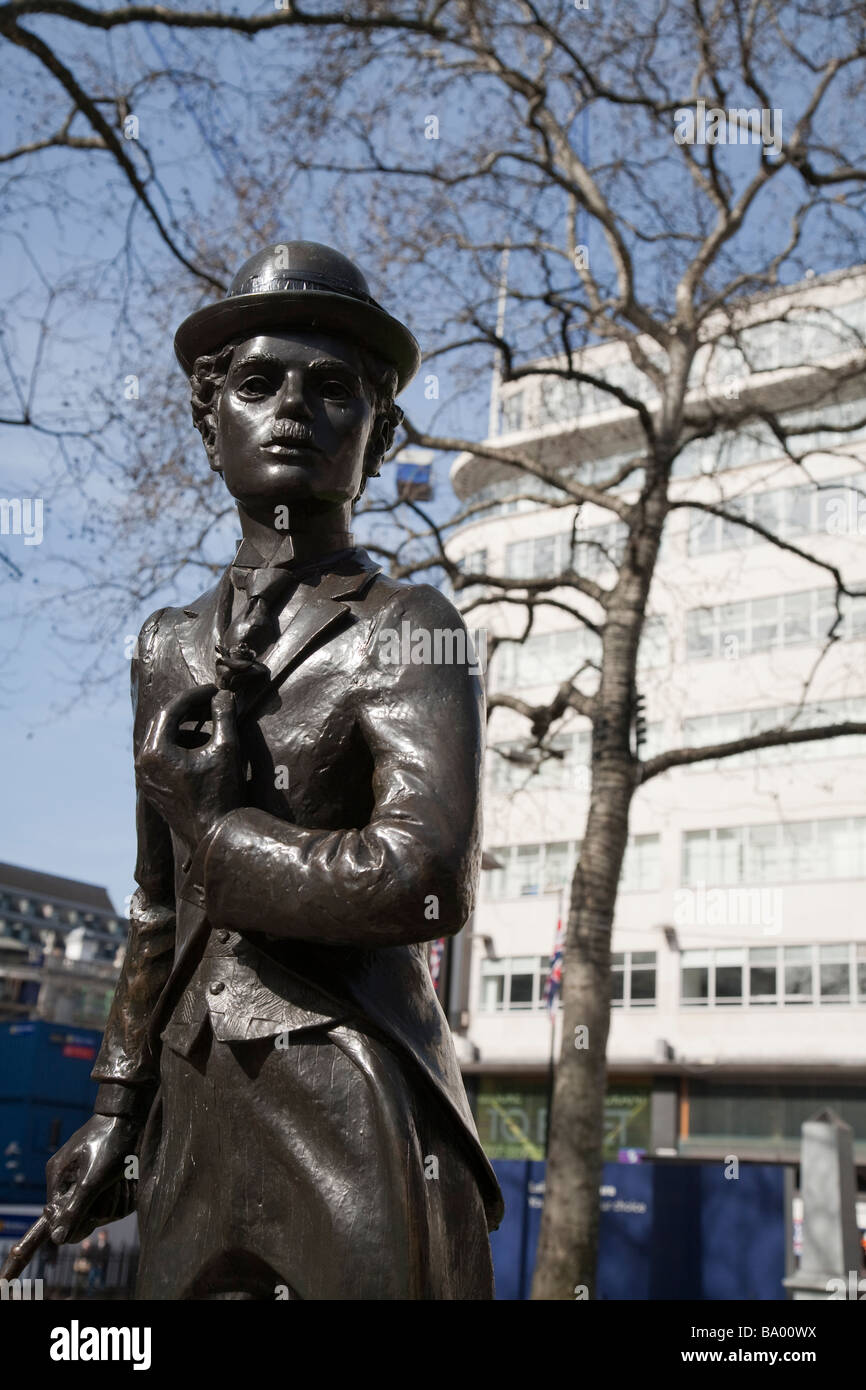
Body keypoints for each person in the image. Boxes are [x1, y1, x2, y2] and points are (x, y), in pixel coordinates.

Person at [43, 241, 503, 1300]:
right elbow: (157, 900)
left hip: (348, 1089)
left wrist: (223, 834)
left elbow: (425, 872)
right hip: (193, 1100)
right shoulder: (165, 645)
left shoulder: (410, 628)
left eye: (331, 388)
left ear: (375, 436)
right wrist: (117, 1106)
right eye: (257, 382)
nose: (292, 406)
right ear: (211, 426)